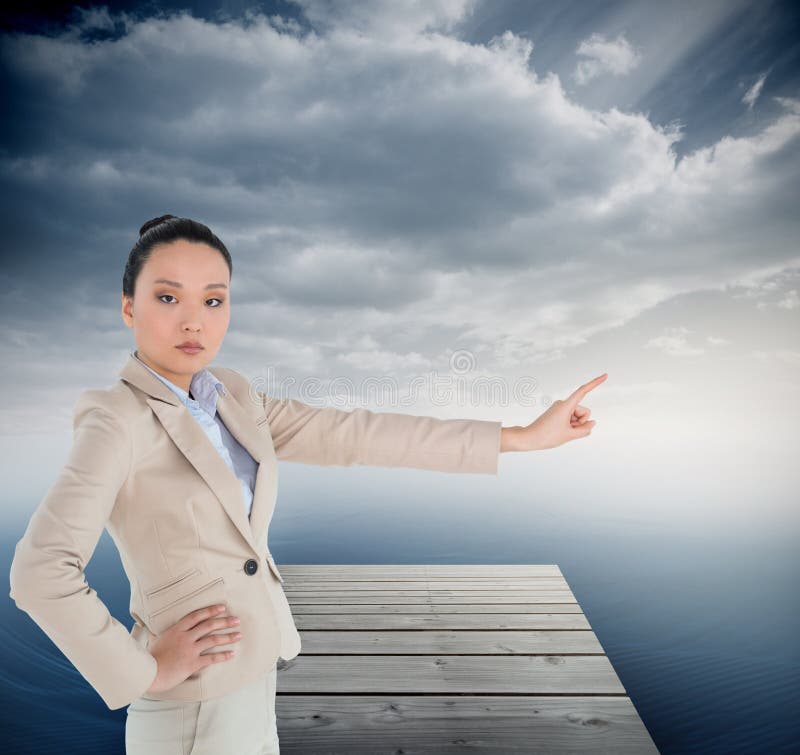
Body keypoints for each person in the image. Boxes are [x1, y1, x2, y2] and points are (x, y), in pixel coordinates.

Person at [8, 214, 606, 754]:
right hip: (193, 713)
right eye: (168, 297)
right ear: (128, 308)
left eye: (214, 300)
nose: (194, 320)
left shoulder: (232, 396)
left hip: (253, 674)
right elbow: (40, 571)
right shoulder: (117, 419)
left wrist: (520, 437)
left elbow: (358, 434)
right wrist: (142, 671)